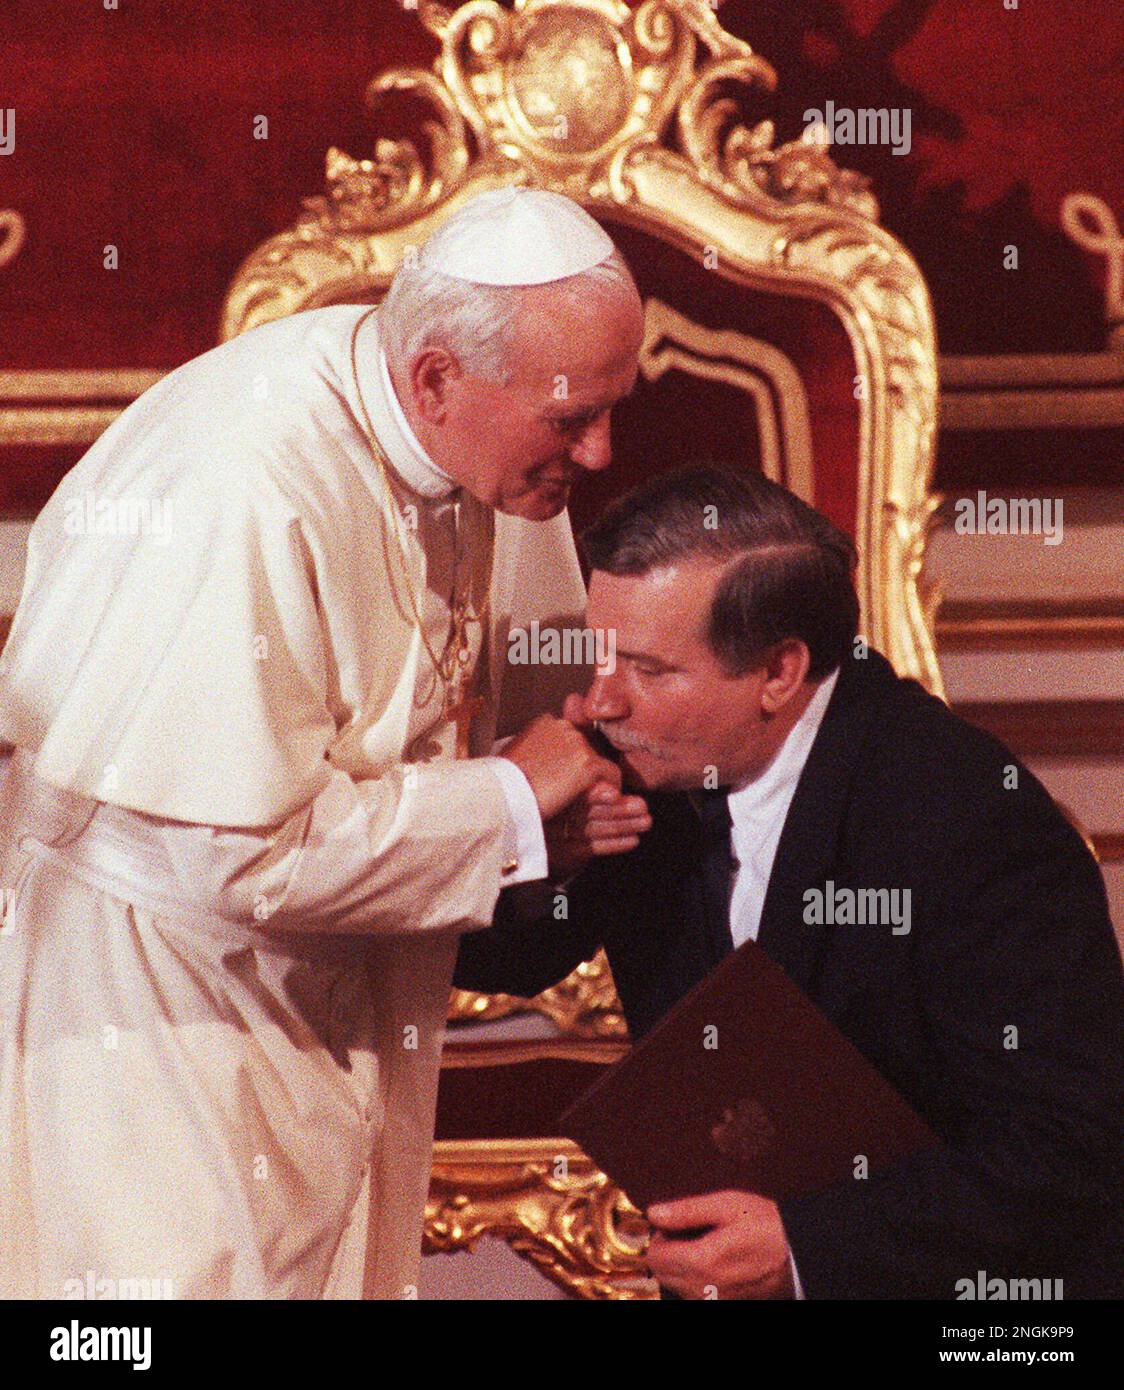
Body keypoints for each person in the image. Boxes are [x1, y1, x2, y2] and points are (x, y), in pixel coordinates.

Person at [0, 188, 649, 1299]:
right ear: (436, 377)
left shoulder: (480, 448)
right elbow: (230, 851)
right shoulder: (237, 487)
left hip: (343, 998)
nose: (597, 451)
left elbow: (532, 717)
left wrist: (560, 814)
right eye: (566, 417)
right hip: (167, 1026)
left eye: (607, 408)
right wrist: (502, 799)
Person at [455, 464, 1124, 1300]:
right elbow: (491, 962)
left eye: (652, 671)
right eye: (600, 659)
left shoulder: (969, 820)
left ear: (779, 672)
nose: (600, 702)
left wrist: (806, 1249)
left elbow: (1073, 1149)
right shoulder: (644, 773)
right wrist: (525, 836)